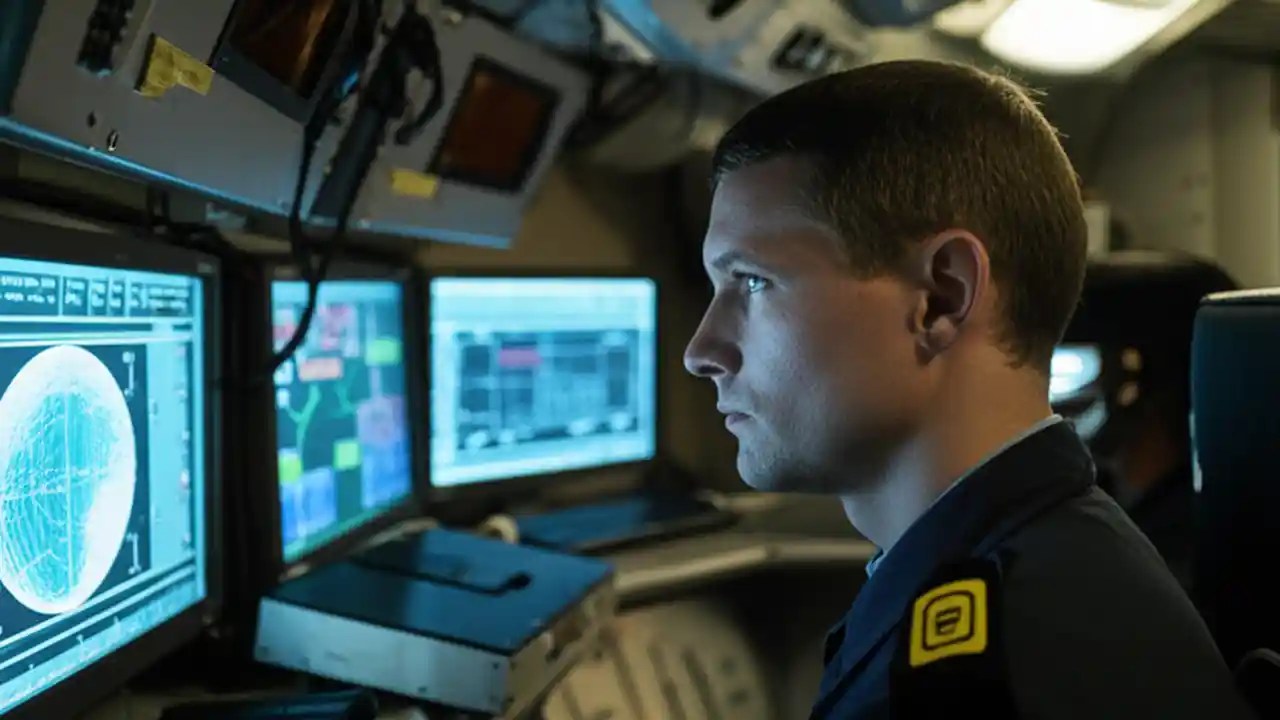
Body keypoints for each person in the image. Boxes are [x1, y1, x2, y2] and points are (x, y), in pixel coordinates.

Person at [682, 60, 1254, 719]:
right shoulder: (1051, 564)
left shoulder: (972, 681)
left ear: (940, 296)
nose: (703, 352)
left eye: (752, 282)